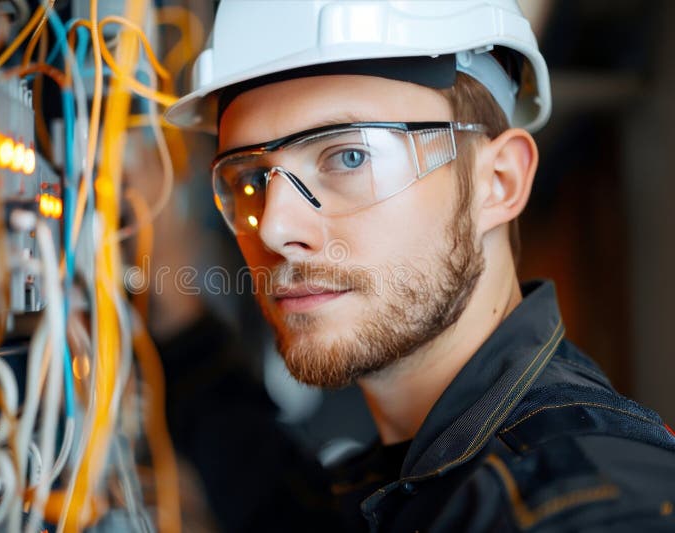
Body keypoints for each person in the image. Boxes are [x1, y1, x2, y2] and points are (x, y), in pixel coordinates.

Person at [156, 1, 675, 531]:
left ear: (500, 182)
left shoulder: (585, 506)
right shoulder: (415, 479)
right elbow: (279, 505)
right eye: (249, 180)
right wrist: (171, 314)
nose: (273, 227)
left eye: (349, 157)